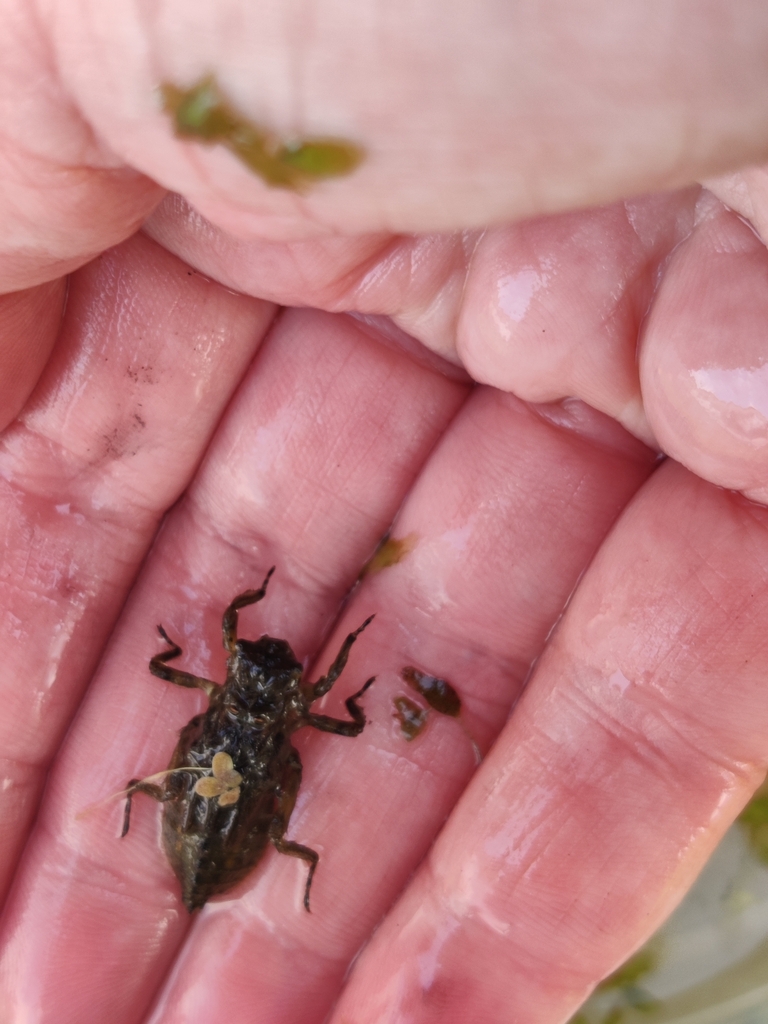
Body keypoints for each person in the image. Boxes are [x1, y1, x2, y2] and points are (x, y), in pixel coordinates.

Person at [0, 1, 767, 1021]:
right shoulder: (272, 701)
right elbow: (289, 699)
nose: (260, 659)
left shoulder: (240, 690)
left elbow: (223, 677)